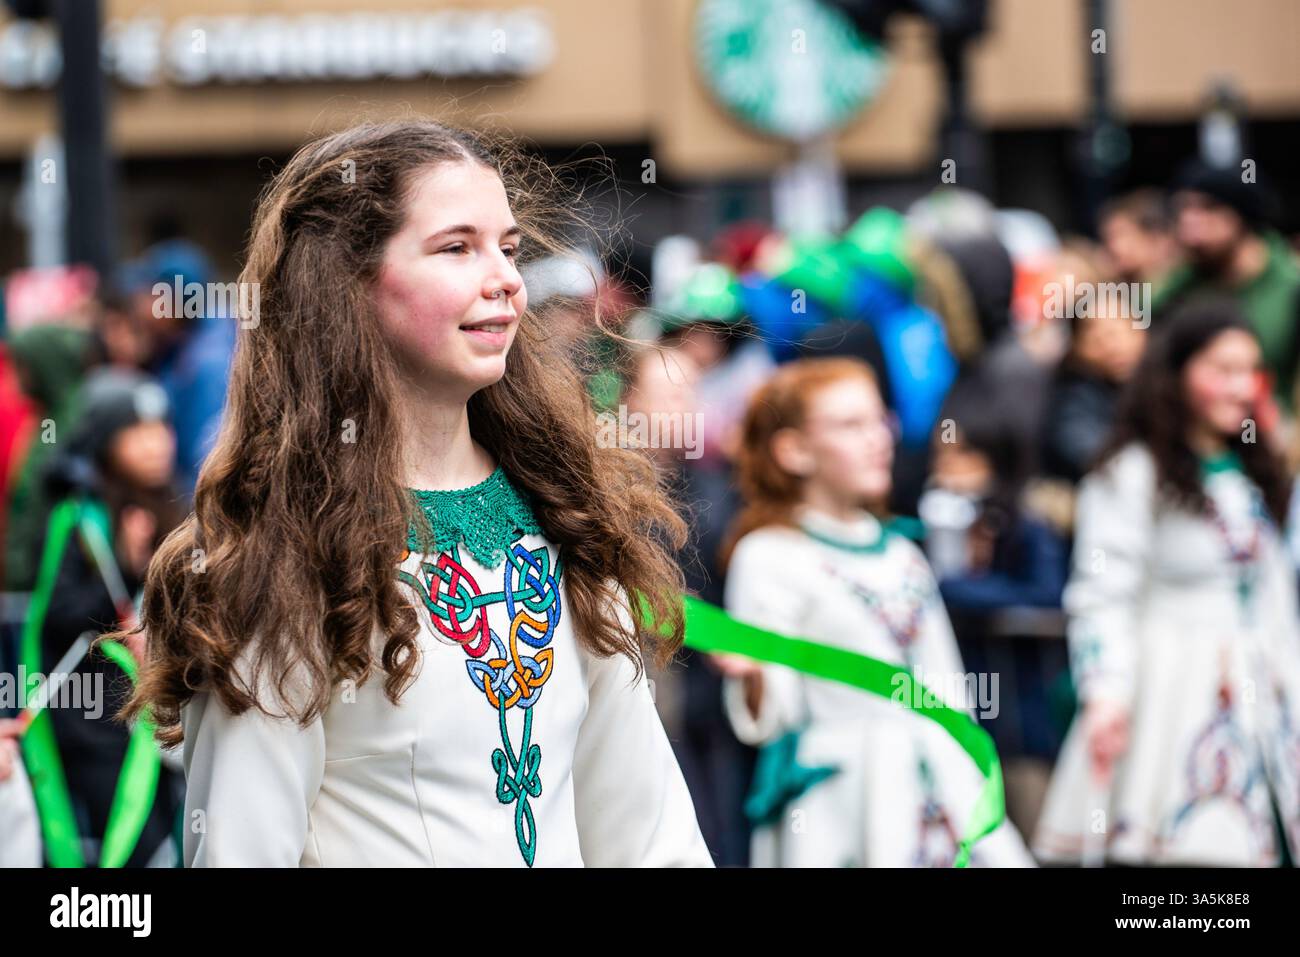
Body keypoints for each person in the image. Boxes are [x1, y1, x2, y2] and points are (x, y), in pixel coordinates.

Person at [102, 120, 712, 868]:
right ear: (346, 285)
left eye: (510, 248)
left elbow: (648, 835)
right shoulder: (277, 557)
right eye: (457, 247)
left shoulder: (569, 518)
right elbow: (239, 848)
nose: (507, 279)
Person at [712, 357, 1035, 867]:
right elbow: (774, 714)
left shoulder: (902, 552)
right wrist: (752, 679)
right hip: (842, 802)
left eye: (880, 421)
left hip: (939, 788)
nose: (877, 438)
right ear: (793, 450)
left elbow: (946, 686)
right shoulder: (769, 554)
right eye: (850, 425)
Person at [1034, 300, 1300, 866]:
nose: (1239, 388)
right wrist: (1106, 692)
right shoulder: (1131, 472)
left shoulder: (1254, 473)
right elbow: (1102, 593)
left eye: (1248, 372)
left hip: (1266, 704)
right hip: (1169, 701)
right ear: (1176, 374)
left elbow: (1276, 595)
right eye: (1221, 370)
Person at [9, 368, 186, 867]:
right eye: (138, 431)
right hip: (94, 711)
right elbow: (58, 613)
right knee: (127, 840)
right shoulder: (78, 516)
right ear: (106, 440)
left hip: (161, 704)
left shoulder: (176, 505)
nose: (156, 444)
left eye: (162, 428)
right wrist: (126, 569)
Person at [1155, 161, 1300, 411]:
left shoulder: (1290, 287)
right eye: (1183, 209)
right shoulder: (1175, 291)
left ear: (1242, 216)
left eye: (1209, 208)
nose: (1190, 221)